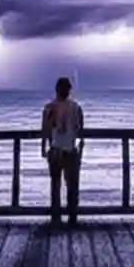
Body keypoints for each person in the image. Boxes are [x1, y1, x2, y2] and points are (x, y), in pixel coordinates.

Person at [41, 76, 84, 226]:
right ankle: (72, 217)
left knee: (56, 185)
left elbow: (45, 130)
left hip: (56, 150)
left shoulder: (49, 107)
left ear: (56, 90)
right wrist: (79, 148)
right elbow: (80, 130)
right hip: (70, 150)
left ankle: (56, 217)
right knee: (71, 186)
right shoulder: (76, 107)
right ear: (69, 90)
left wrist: (44, 147)